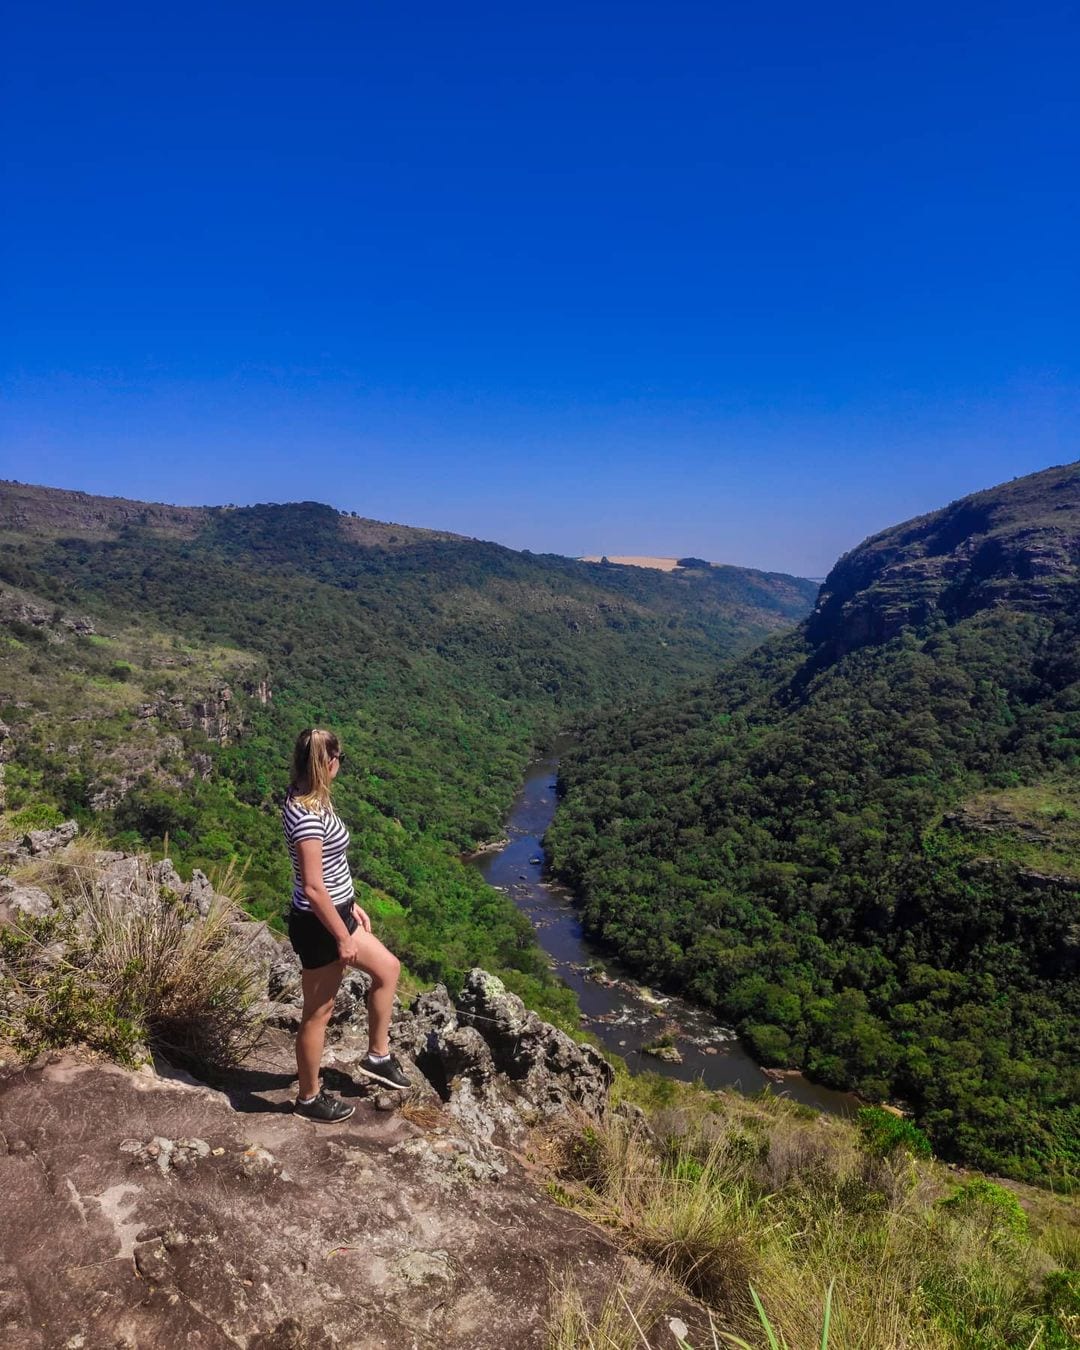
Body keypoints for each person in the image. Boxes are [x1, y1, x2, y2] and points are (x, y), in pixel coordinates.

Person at [282, 727, 409, 1121]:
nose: (341, 767)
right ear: (328, 763)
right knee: (319, 1011)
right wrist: (342, 936)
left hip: (339, 912)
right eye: (339, 760)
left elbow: (333, 871)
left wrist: (352, 906)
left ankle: (377, 1055)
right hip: (319, 923)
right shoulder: (305, 814)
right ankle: (309, 1098)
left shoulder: (317, 800)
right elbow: (314, 887)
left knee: (388, 968)